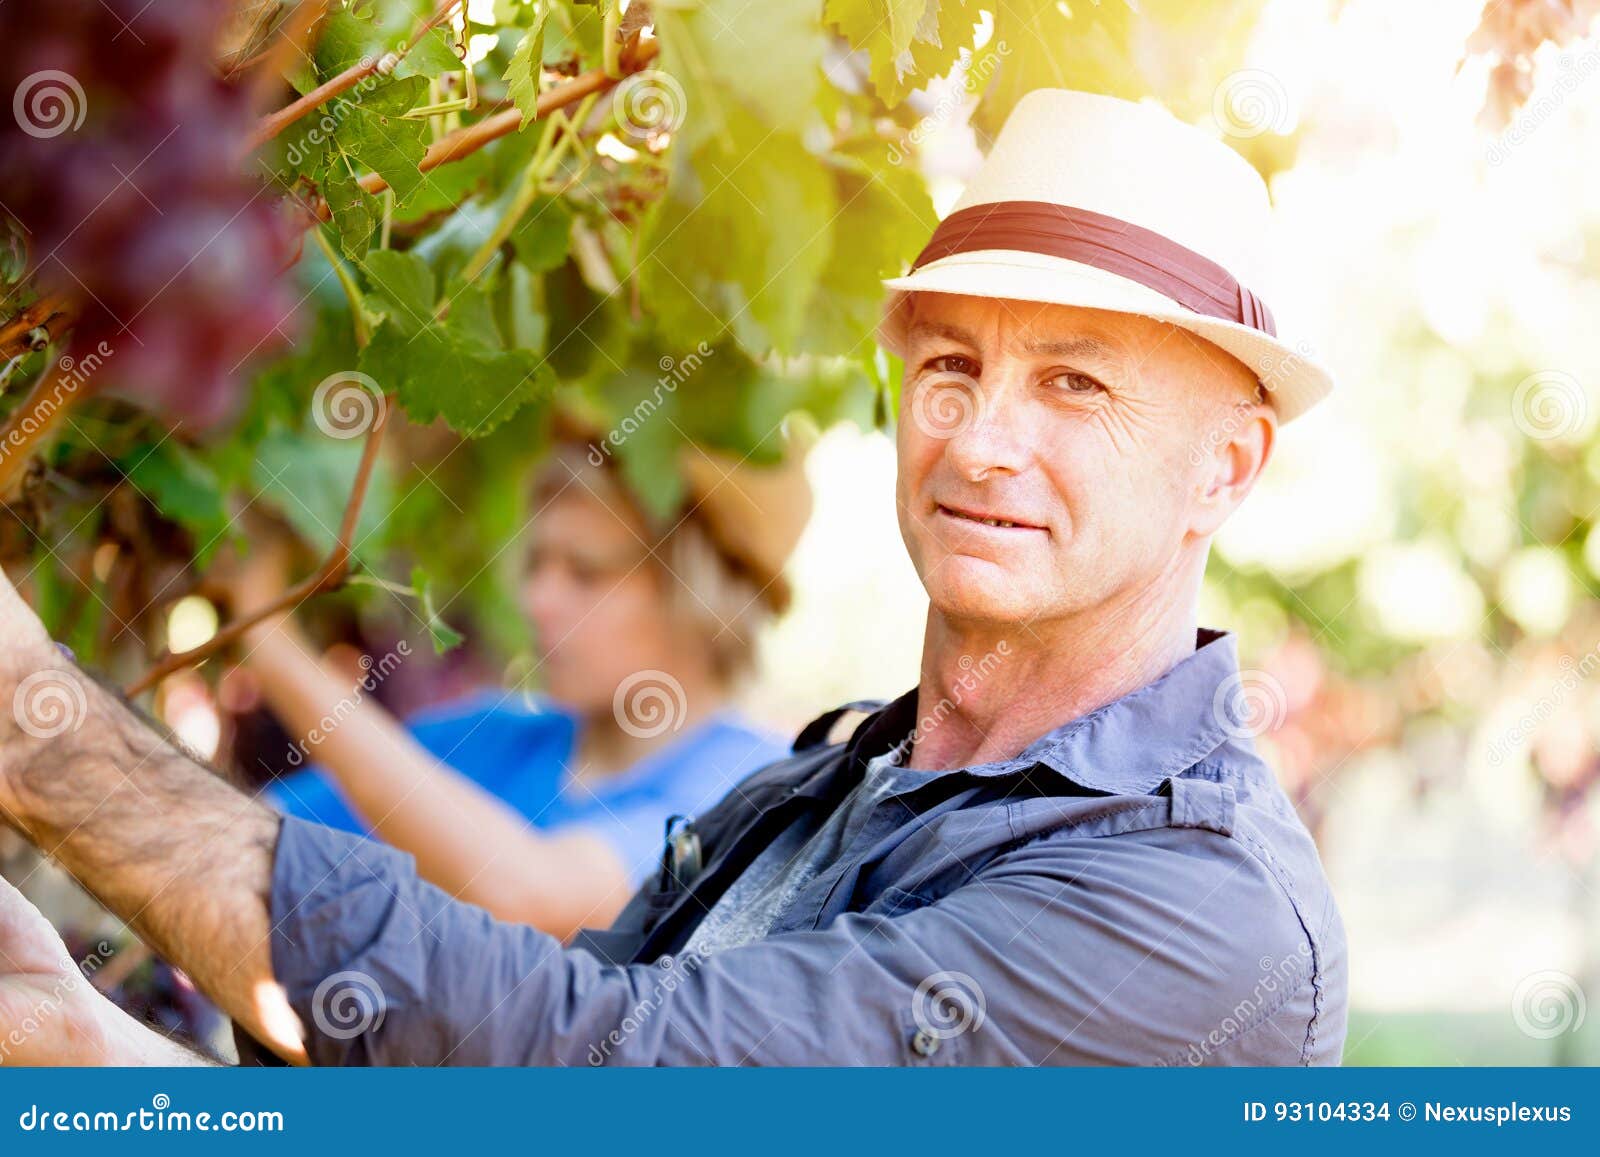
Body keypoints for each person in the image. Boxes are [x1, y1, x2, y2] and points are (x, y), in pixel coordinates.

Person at [0, 89, 1348, 1066]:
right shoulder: (812, 795)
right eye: (952, 366)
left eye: (1074, 383)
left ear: (1226, 469)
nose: (983, 442)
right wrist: (97, 1055)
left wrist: (41, 736)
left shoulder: (1199, 915)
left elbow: (606, 1064)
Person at [226, 431, 807, 940]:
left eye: (585, 571)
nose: (537, 600)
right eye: (536, 565)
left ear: (699, 596)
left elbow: (533, 898)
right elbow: (247, 836)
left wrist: (267, 634)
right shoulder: (484, 737)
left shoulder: (755, 784)